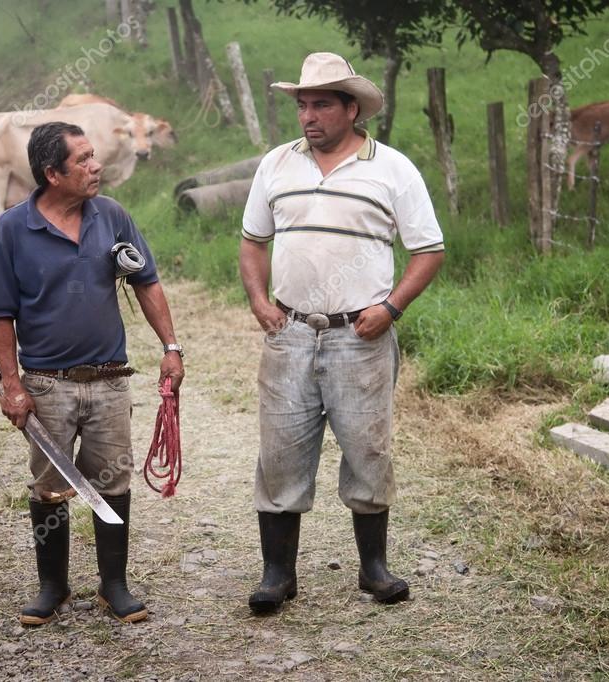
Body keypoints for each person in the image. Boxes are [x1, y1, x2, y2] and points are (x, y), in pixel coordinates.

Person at [239, 52, 444, 614]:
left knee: (367, 448)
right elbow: (253, 241)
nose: (308, 115)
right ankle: (278, 575)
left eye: (321, 104)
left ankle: (374, 569)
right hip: (291, 331)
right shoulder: (276, 164)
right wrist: (259, 301)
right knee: (280, 451)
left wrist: (392, 308)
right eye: (303, 104)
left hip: (362, 335)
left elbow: (428, 250)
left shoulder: (393, 168)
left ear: (352, 109)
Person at [0, 121, 185, 625]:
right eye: (83, 160)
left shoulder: (111, 215)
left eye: (94, 156)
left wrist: (171, 347)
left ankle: (113, 585)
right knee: (49, 486)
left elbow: (147, 282)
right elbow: (0, 314)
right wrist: (12, 385)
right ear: (53, 173)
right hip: (47, 384)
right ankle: (52, 587)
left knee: (113, 480)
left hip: (111, 378)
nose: (96, 167)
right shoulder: (12, 229)